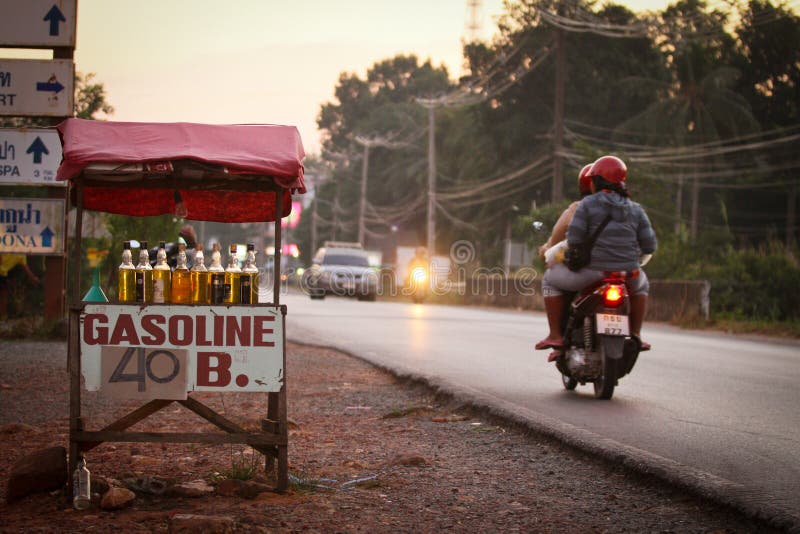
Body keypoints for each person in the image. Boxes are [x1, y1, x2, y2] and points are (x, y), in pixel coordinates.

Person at [535, 155, 657, 354]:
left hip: (591, 274)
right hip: (628, 276)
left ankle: (555, 334)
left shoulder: (585, 205)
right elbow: (649, 246)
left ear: (595, 182)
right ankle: (635, 334)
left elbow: (573, 240)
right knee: (643, 284)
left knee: (549, 279)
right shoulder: (636, 209)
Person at [538, 163, 594, 262]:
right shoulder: (626, 209)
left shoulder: (576, 210)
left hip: (587, 270)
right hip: (622, 269)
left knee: (551, 274)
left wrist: (544, 250)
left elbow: (553, 243)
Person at [0, 254, 40, 320]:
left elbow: (26, 267)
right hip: (2, 271)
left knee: (4, 294)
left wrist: (33, 278)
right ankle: (3, 316)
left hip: (3, 273)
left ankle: (3, 316)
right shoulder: (10, 247)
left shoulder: (22, 255)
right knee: (4, 295)